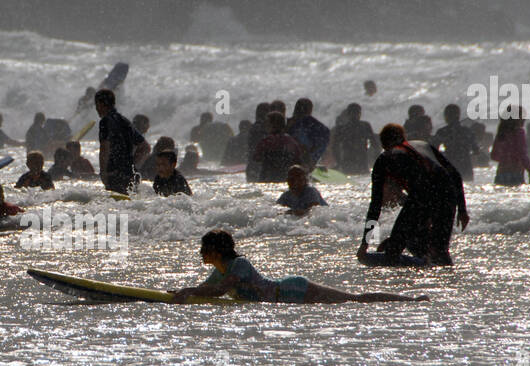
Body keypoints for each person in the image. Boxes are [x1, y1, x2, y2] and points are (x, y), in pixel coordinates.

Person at [171, 230, 427, 305]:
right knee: (353, 300)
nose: (200, 253)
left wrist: (186, 291)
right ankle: (408, 299)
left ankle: (410, 299)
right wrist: (176, 293)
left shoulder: (239, 264)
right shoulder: (220, 271)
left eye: (203, 248)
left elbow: (217, 292)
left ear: (216, 251)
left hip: (293, 290)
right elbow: (206, 288)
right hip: (287, 297)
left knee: (354, 300)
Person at [360, 123, 469, 266]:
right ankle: (446, 280)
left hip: (422, 195)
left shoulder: (384, 159)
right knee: (440, 252)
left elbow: (375, 205)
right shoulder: (423, 144)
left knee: (393, 252)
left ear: (384, 144)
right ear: (403, 137)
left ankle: (402, 274)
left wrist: (365, 244)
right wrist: (462, 209)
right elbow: (454, 175)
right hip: (448, 194)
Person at [96, 89, 148, 194]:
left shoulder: (105, 122)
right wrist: (132, 165)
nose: (97, 109)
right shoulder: (125, 121)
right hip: (130, 174)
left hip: (114, 174)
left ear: (101, 104)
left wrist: (103, 172)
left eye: (96, 105)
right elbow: (145, 147)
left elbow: (105, 147)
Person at [431, 104, 483, 182]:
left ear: (446, 117)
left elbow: (433, 150)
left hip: (450, 164)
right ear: (458, 115)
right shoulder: (467, 131)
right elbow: (476, 151)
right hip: (466, 164)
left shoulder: (442, 132)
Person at [251, 113, 305, 182]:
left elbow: (256, 158)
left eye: (267, 123)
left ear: (273, 125)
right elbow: (298, 160)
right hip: (285, 176)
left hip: (268, 176)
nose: (265, 125)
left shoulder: (266, 141)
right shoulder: (291, 141)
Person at [331, 103, 379, 175]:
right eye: (357, 113)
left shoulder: (342, 128)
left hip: (348, 162)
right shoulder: (365, 126)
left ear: (347, 114)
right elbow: (375, 145)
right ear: (360, 113)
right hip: (361, 162)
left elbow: (334, 147)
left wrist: (338, 162)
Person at [491, 114, 530, 186]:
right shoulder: (519, 132)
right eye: (522, 117)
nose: (524, 119)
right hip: (516, 172)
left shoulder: (501, 133)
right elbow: (522, 154)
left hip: (501, 173)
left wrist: (505, 159)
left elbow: (493, 156)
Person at [288, 98, 331, 169]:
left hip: (292, 162)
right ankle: (311, 164)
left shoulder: (288, 124)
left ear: (295, 109)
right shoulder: (321, 128)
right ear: (310, 110)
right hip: (309, 162)